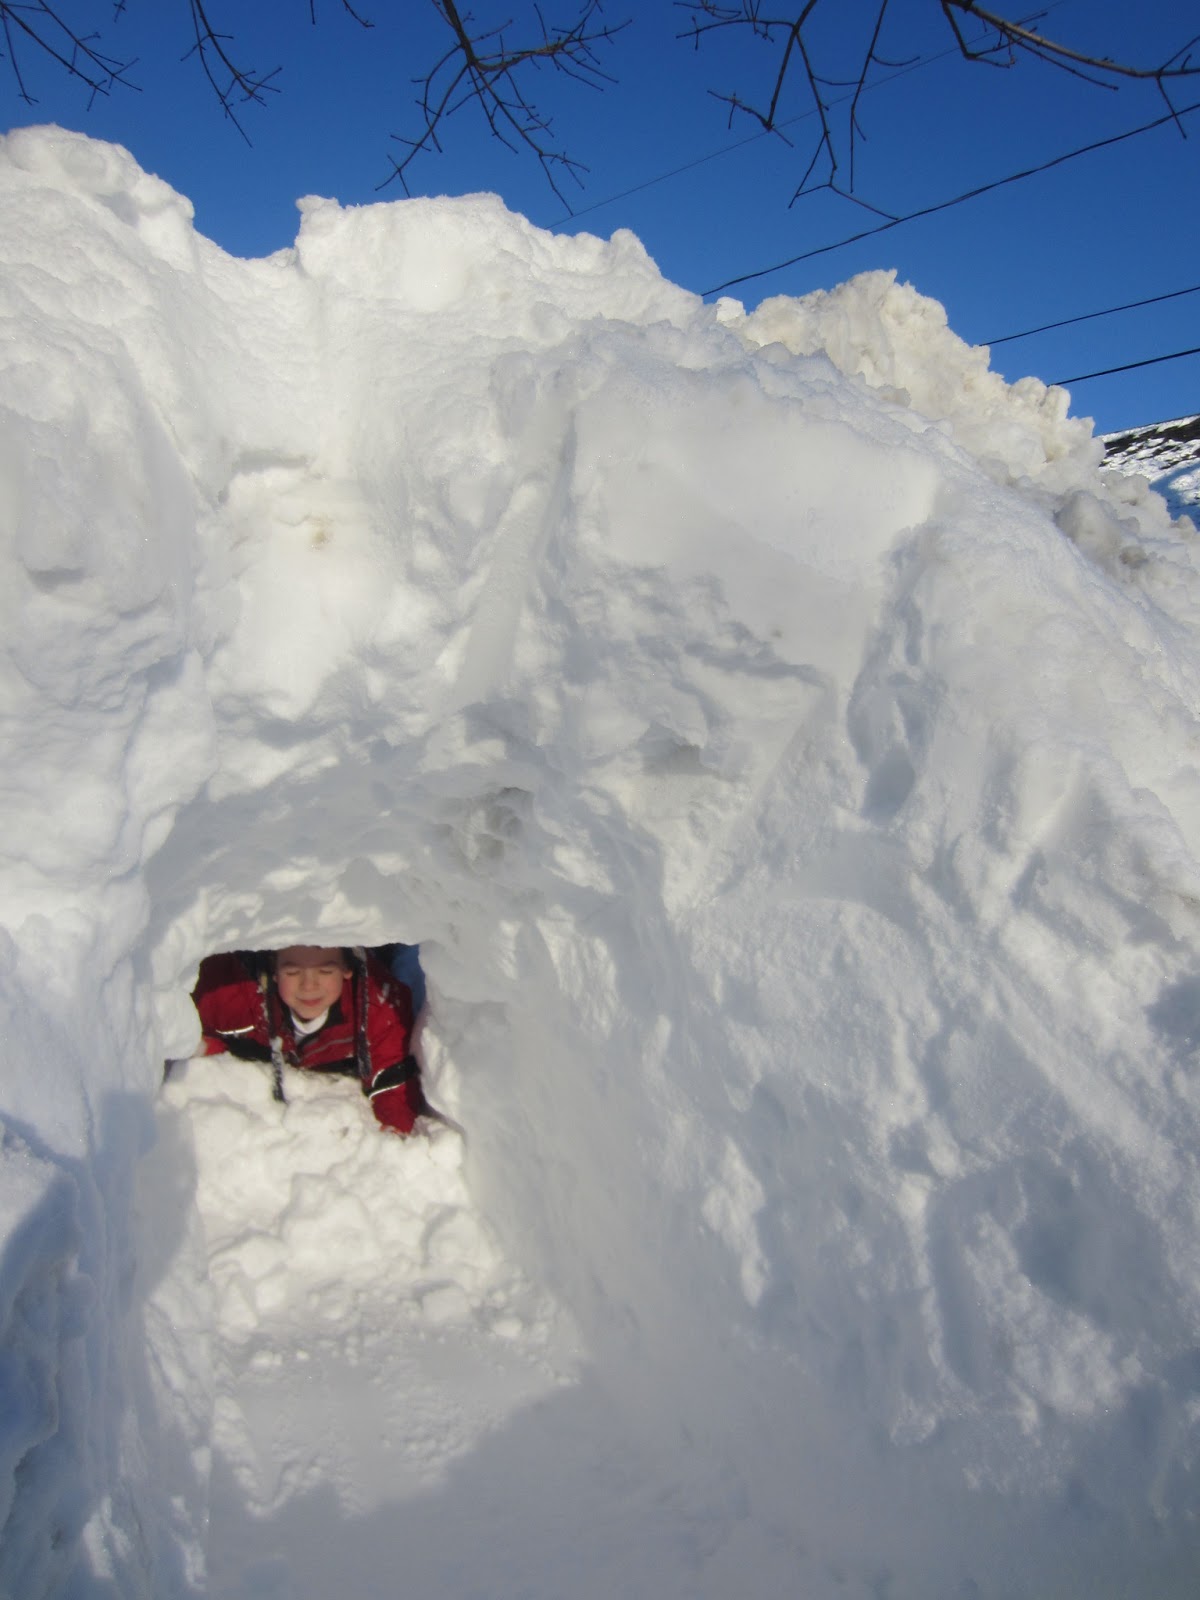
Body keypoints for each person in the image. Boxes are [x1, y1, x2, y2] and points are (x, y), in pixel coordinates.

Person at [191, 945, 425, 1134]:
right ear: (273, 967)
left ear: (347, 969)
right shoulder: (232, 992)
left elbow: (393, 1081)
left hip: (380, 959)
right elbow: (184, 1026)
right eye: (292, 972)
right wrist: (212, 1050)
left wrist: (393, 1131)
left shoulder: (375, 1003)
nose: (308, 985)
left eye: (325, 971)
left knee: (400, 958)